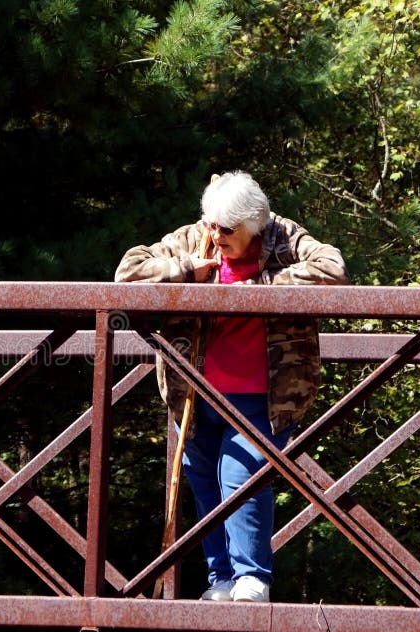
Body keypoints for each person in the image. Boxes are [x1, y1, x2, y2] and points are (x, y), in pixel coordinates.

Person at [114, 171, 350, 602]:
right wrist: (185, 270)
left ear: (254, 224)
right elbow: (127, 273)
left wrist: (257, 290)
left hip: (265, 395)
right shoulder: (195, 239)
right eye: (212, 224)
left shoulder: (283, 237)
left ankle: (252, 578)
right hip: (193, 392)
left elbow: (333, 270)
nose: (216, 235)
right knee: (205, 481)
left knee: (241, 477)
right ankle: (221, 578)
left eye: (227, 229)